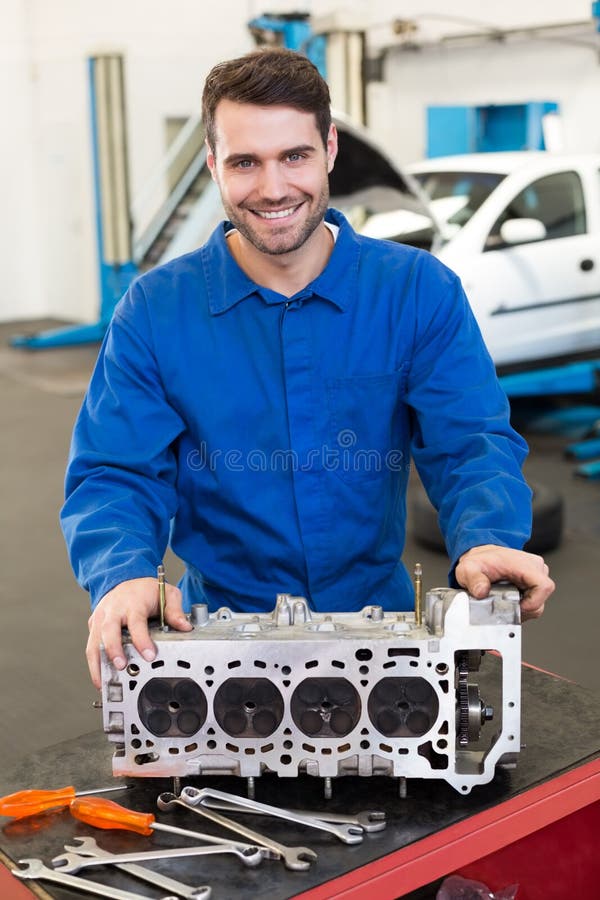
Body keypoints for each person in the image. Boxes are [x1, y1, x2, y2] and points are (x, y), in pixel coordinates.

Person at [61, 48, 554, 689]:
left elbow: (469, 440)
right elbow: (115, 471)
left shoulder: (417, 292)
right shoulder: (155, 311)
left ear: (329, 148)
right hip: (210, 644)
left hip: (384, 637)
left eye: (294, 156)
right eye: (245, 162)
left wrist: (486, 537)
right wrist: (123, 573)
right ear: (213, 163)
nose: (272, 188)